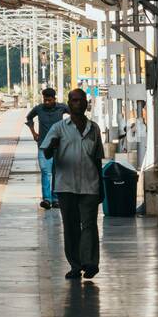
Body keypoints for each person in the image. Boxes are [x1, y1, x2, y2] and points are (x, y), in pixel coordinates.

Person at [41, 88, 105, 280]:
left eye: (81, 100)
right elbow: (46, 152)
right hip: (66, 185)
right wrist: (52, 147)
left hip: (90, 184)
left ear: (86, 103)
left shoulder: (94, 128)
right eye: (74, 100)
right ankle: (75, 265)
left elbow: (98, 158)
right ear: (69, 104)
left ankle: (90, 263)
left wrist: (101, 185)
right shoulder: (58, 128)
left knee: (89, 225)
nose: (77, 104)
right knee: (70, 226)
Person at [26, 87, 69, 209]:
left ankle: (56, 199)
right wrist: (33, 132)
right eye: (45, 100)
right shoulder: (39, 109)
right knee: (46, 172)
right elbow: (29, 118)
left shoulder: (62, 108)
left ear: (54, 99)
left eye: (49, 100)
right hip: (43, 146)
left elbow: (75, 115)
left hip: (59, 146)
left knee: (57, 172)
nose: (47, 102)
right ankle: (46, 199)